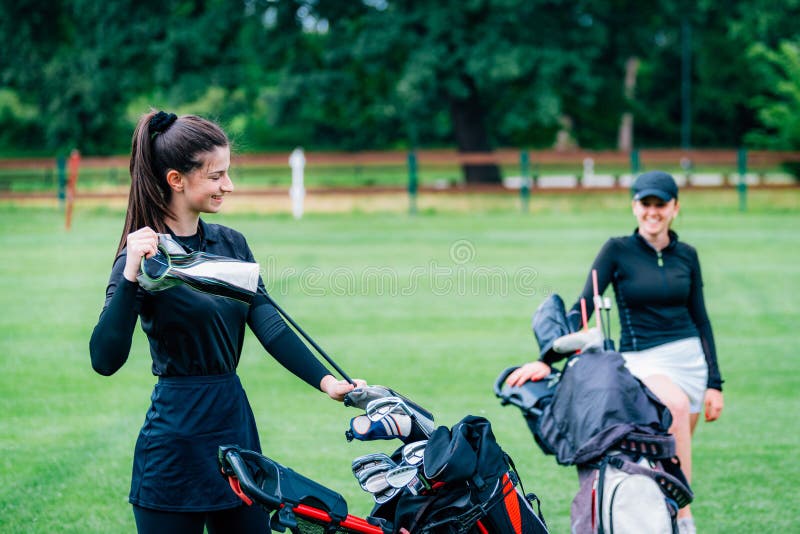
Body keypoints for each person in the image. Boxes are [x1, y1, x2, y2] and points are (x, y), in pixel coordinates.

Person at [89, 110, 365, 533]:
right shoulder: (145, 257)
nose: (228, 186)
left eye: (228, 173)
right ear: (177, 180)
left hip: (234, 433)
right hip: (173, 446)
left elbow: (269, 323)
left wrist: (329, 383)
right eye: (216, 176)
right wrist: (129, 275)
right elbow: (104, 358)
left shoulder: (229, 244)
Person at [507, 170, 724, 534]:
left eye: (661, 204)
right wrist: (548, 357)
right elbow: (581, 307)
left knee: (669, 452)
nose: (652, 212)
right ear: (634, 207)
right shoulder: (617, 250)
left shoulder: (687, 255)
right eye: (645, 204)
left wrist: (714, 383)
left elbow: (701, 319)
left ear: (675, 208)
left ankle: (657, 515)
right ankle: (684, 521)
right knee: (674, 408)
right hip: (643, 359)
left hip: (690, 363)